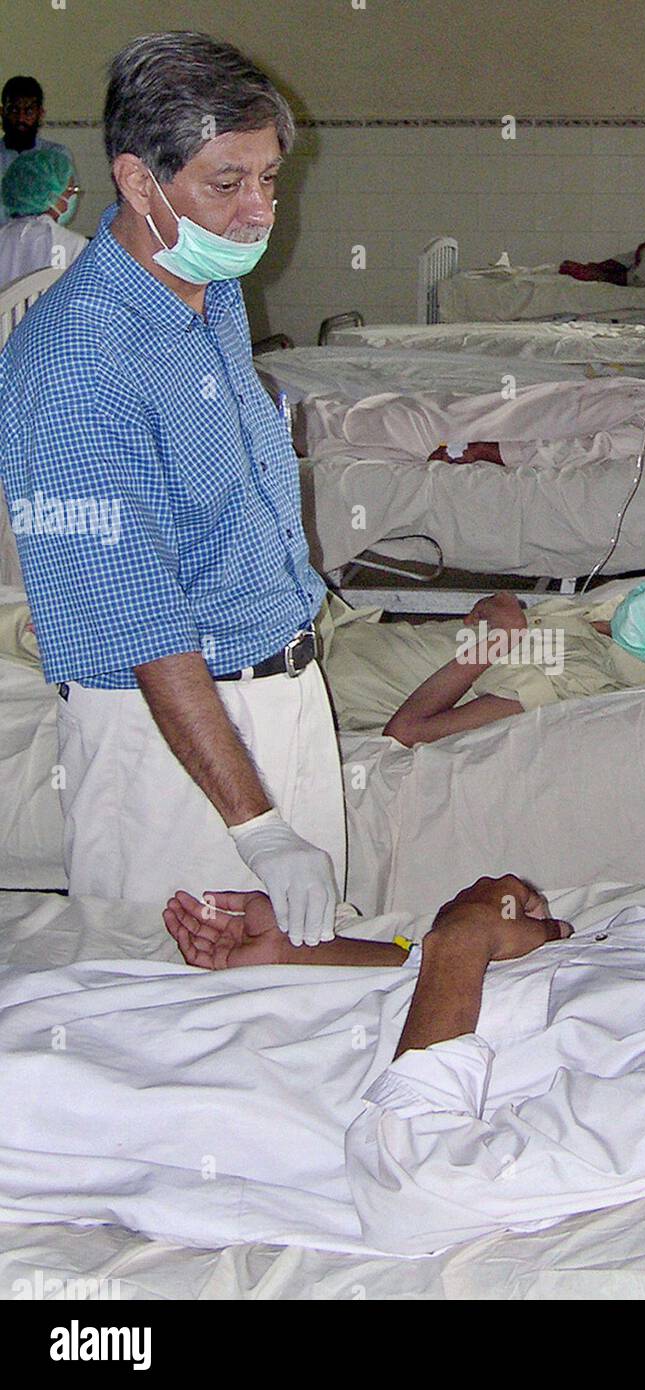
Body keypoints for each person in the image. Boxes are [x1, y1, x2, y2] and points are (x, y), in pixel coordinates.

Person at [5, 760, 645, 1256]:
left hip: (268, 1117)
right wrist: (308, 952)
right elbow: (507, 987)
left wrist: (456, 941)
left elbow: (423, 1194)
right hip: (261, 1024)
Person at [0, 33, 355, 946]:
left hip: (281, 699)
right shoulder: (78, 356)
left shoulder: (211, 297)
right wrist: (259, 827)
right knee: (169, 1039)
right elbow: (140, 619)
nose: (259, 211)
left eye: (270, 178)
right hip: (171, 754)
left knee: (301, 1018)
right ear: (135, 179)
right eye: (226, 182)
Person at [319, 533, 645, 744]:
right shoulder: (611, 625)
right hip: (341, 632)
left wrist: (498, 637)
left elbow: (408, 733)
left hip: (323, 681)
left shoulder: (582, 681)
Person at [310, 329, 645, 468]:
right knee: (389, 412)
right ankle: (288, 427)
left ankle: (283, 428)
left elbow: (589, 451)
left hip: (484, 431)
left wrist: (489, 452)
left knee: (382, 422)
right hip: (489, 410)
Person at [0, 145, 87, 289]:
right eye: (70, 189)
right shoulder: (73, 245)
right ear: (51, 193)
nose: (73, 196)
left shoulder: (3, 237)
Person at [0, 76, 74, 225]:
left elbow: (64, 205)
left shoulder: (56, 157)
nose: (21, 118)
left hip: (43, 241)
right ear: (2, 112)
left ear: (40, 114)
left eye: (28, 111)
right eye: (14, 110)